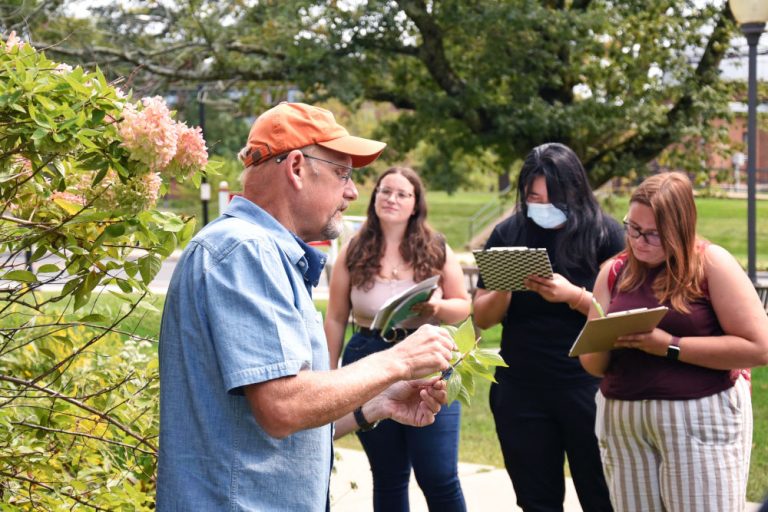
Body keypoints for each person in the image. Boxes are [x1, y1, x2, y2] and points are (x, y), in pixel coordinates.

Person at [156, 102, 457, 511]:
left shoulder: (260, 252)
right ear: (297, 167)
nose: (352, 191)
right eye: (342, 174)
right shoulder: (246, 250)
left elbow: (285, 421)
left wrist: (376, 404)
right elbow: (282, 406)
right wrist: (399, 360)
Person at [580, 171, 768, 512]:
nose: (639, 241)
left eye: (652, 233)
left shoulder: (711, 263)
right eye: (633, 228)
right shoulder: (614, 271)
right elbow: (593, 364)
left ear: (679, 228)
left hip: (698, 419)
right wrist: (605, 339)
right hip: (624, 423)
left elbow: (759, 347)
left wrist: (669, 345)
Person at [472, 143, 622, 512]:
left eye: (555, 197)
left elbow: (624, 314)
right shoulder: (508, 233)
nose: (545, 205)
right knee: (537, 501)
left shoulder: (605, 234)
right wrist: (505, 285)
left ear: (576, 190)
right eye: (535, 197)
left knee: (602, 496)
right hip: (521, 388)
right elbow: (483, 318)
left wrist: (575, 296)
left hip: (587, 385)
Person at [324, 166, 471, 511]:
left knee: (438, 475)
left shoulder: (436, 247)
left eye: (402, 194)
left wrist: (437, 306)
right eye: (385, 191)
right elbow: (335, 317)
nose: (391, 198)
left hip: (427, 359)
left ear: (415, 204)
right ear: (374, 197)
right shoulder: (353, 248)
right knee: (388, 475)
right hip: (367, 355)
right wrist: (328, 376)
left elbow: (464, 307)